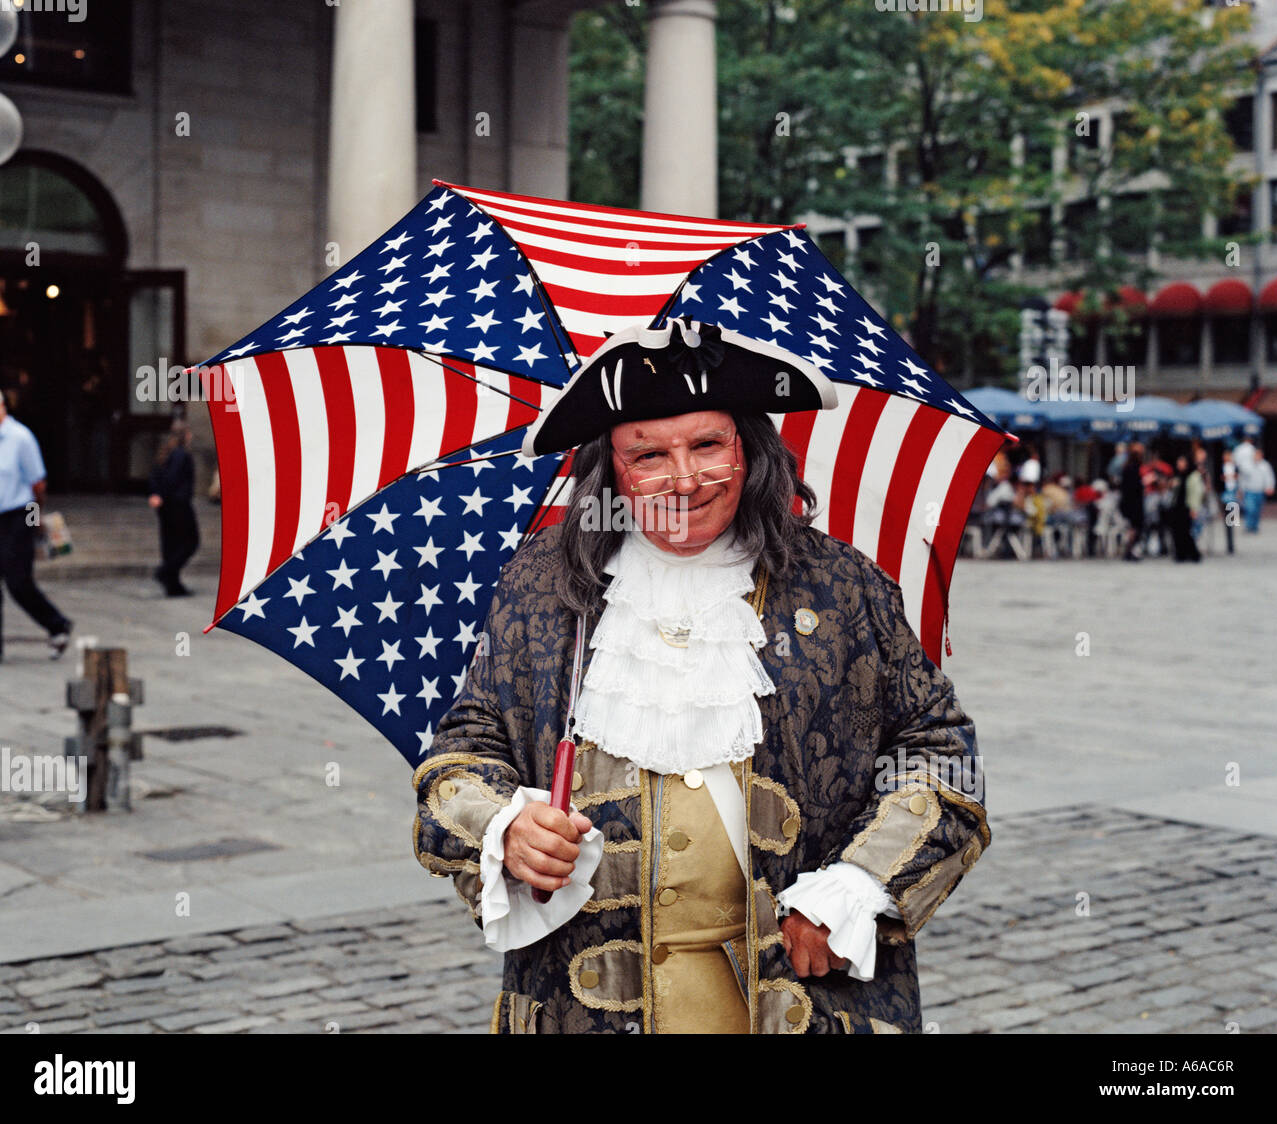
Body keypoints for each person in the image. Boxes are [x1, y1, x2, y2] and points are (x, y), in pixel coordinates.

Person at [413, 319, 988, 1034]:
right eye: (647, 454)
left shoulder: (841, 585)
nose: (683, 479)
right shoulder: (542, 583)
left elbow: (939, 754)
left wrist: (858, 884)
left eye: (708, 445)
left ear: (750, 451)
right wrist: (505, 825)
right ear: (611, 469)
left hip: (798, 1004)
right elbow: (463, 748)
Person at [0, 385, 72, 663]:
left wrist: (33, 521)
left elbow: (38, 484)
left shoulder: (21, 438)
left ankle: (57, 624)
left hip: (17, 517)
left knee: (17, 581)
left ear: (2, 407)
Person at [147, 421, 200, 596]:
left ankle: (173, 585)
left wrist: (156, 494)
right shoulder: (181, 455)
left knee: (171, 544)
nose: (191, 436)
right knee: (190, 542)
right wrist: (162, 494)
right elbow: (172, 478)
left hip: (165, 505)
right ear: (184, 435)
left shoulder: (166, 452)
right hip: (177, 504)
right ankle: (166, 572)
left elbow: (155, 475)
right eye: (189, 433)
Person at [1168, 454, 1201, 563]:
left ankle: (1193, 554)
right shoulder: (1177, 476)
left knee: (1186, 532)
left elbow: (1196, 493)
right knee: (1177, 532)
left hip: (1186, 507)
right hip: (1176, 507)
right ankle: (1180, 553)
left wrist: (1194, 508)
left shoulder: (1193, 476)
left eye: (1182, 462)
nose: (1180, 465)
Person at [1119, 442, 1145, 561]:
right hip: (1134, 503)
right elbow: (1135, 487)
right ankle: (1130, 551)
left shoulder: (1126, 468)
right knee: (1135, 527)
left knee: (1132, 527)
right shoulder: (1134, 469)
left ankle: (1130, 551)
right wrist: (1144, 483)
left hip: (1127, 502)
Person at [1240, 447, 1276, 534]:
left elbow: (1269, 477)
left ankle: (1255, 526)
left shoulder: (1265, 465)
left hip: (1260, 491)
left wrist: (1270, 487)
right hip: (1249, 491)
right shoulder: (1247, 465)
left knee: (1257, 509)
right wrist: (1241, 489)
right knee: (1250, 508)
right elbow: (1242, 478)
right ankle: (1248, 526)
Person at [1220, 448, 1239, 555]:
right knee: (1227, 520)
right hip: (1225, 495)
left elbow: (1237, 478)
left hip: (1233, 494)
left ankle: (1232, 544)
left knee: (1232, 521)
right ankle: (1229, 544)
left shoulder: (1234, 467)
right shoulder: (1221, 467)